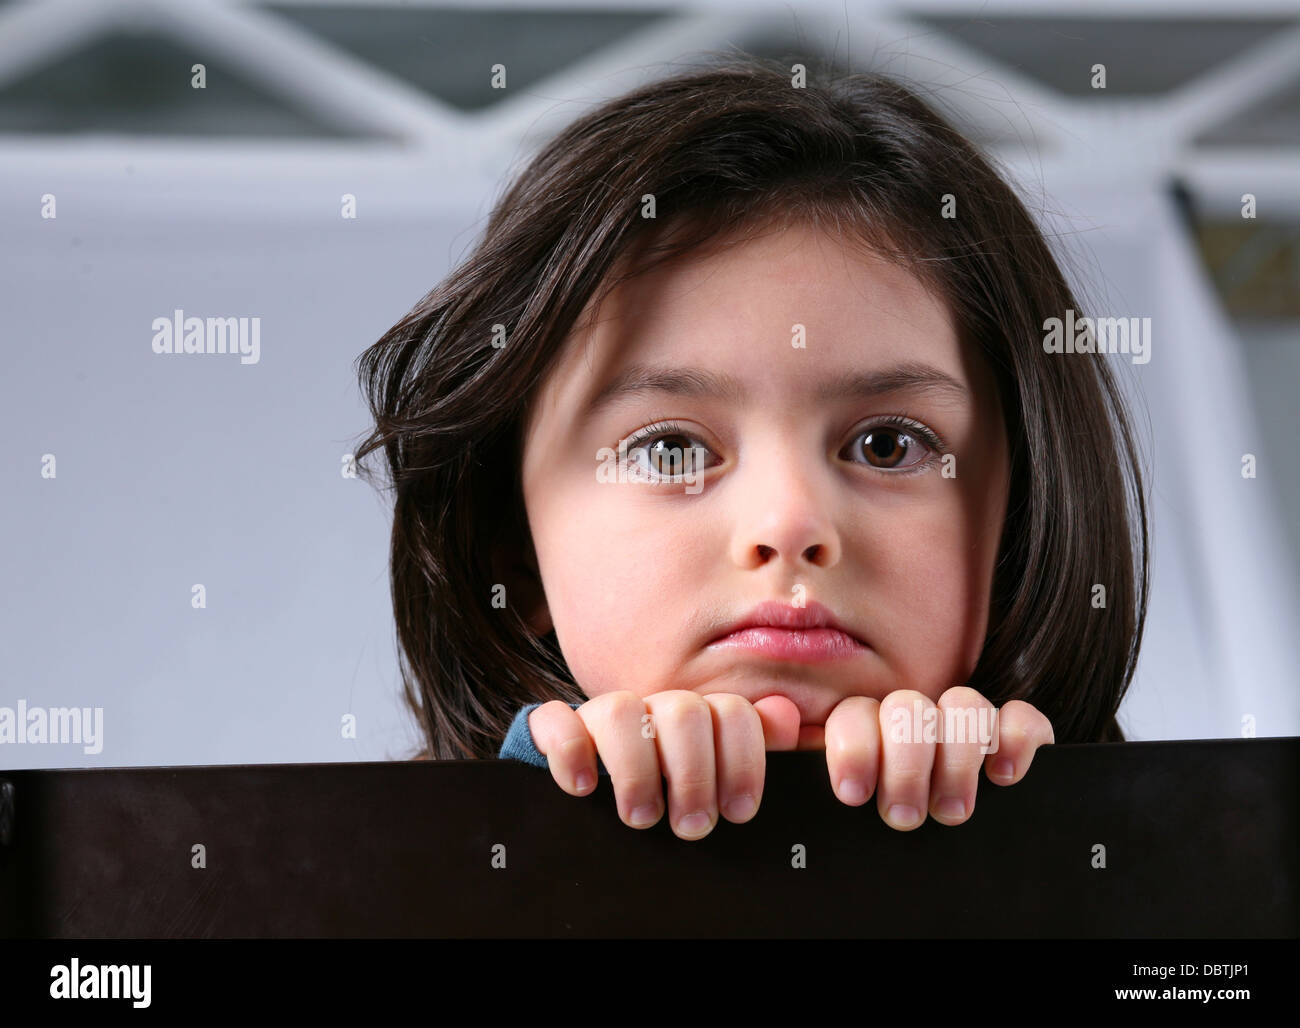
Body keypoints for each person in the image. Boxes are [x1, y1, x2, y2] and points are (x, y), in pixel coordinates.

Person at [352, 53, 1149, 841]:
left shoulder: (1171, 868)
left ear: (1017, 528)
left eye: (885, 445)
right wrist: (537, 829)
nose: (792, 523)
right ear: (512, 556)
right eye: (669, 450)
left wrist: (1038, 852)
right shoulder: (372, 884)